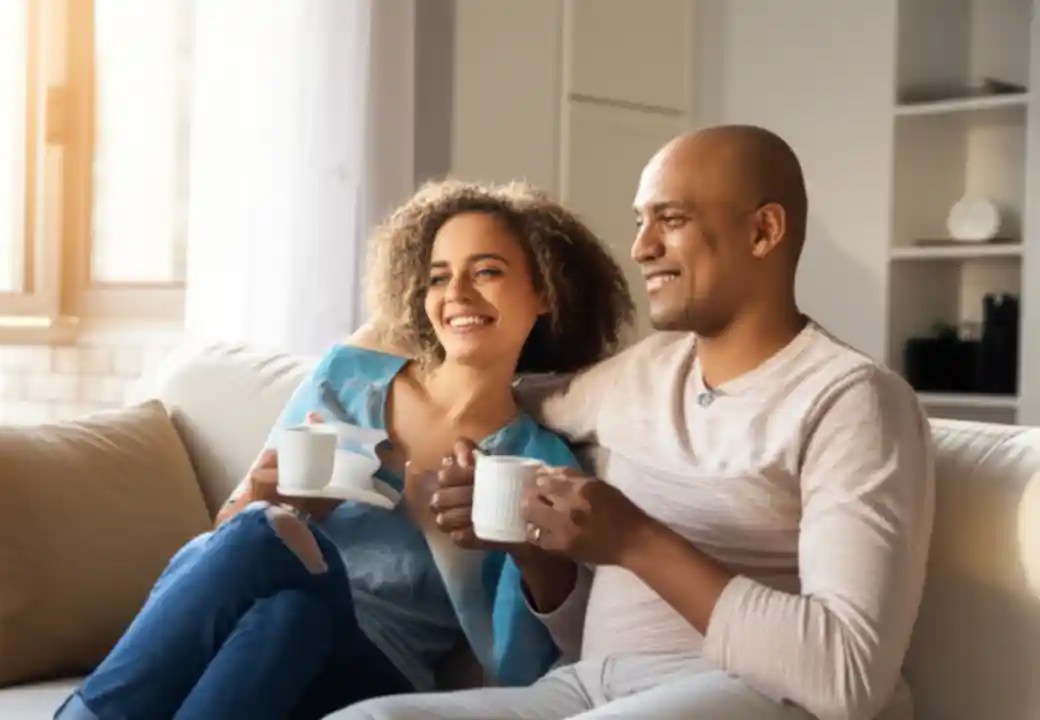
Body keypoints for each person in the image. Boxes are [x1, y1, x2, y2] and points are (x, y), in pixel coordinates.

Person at [331, 125, 935, 720]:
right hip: (594, 686)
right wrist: (528, 542)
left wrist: (635, 541)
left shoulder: (853, 402)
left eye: (670, 220)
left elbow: (849, 676)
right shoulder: (640, 376)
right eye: (640, 222)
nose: (642, 247)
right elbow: (499, 389)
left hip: (755, 693)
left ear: (763, 230)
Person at [54, 180, 636, 720]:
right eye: (437, 276)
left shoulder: (532, 460)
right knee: (284, 588)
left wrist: (504, 547)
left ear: (545, 293)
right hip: (281, 631)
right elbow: (226, 540)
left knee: (273, 544)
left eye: (486, 272)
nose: (456, 293)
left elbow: (526, 665)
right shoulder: (348, 378)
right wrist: (268, 495)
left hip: (378, 666)